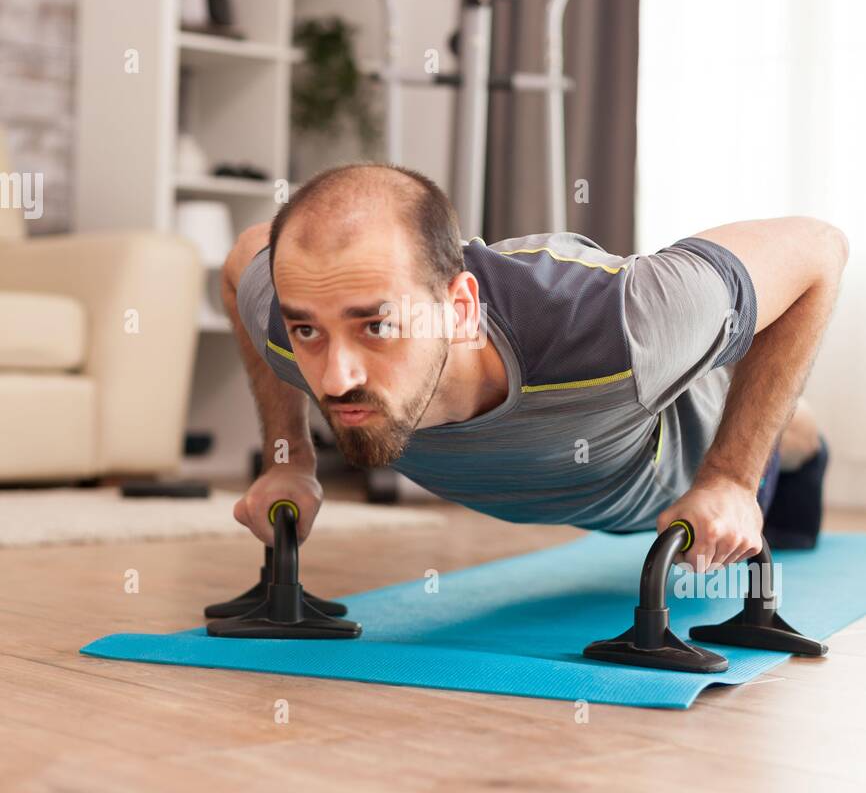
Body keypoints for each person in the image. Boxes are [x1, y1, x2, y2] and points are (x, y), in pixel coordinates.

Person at [224, 162, 847, 573]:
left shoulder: (629, 319)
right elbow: (243, 257)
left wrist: (735, 478)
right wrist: (291, 459)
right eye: (309, 330)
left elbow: (820, 249)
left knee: (773, 429)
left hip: (677, 455)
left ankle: (797, 440)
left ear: (461, 309)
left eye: (378, 326)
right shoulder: (286, 313)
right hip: (564, 463)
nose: (333, 380)